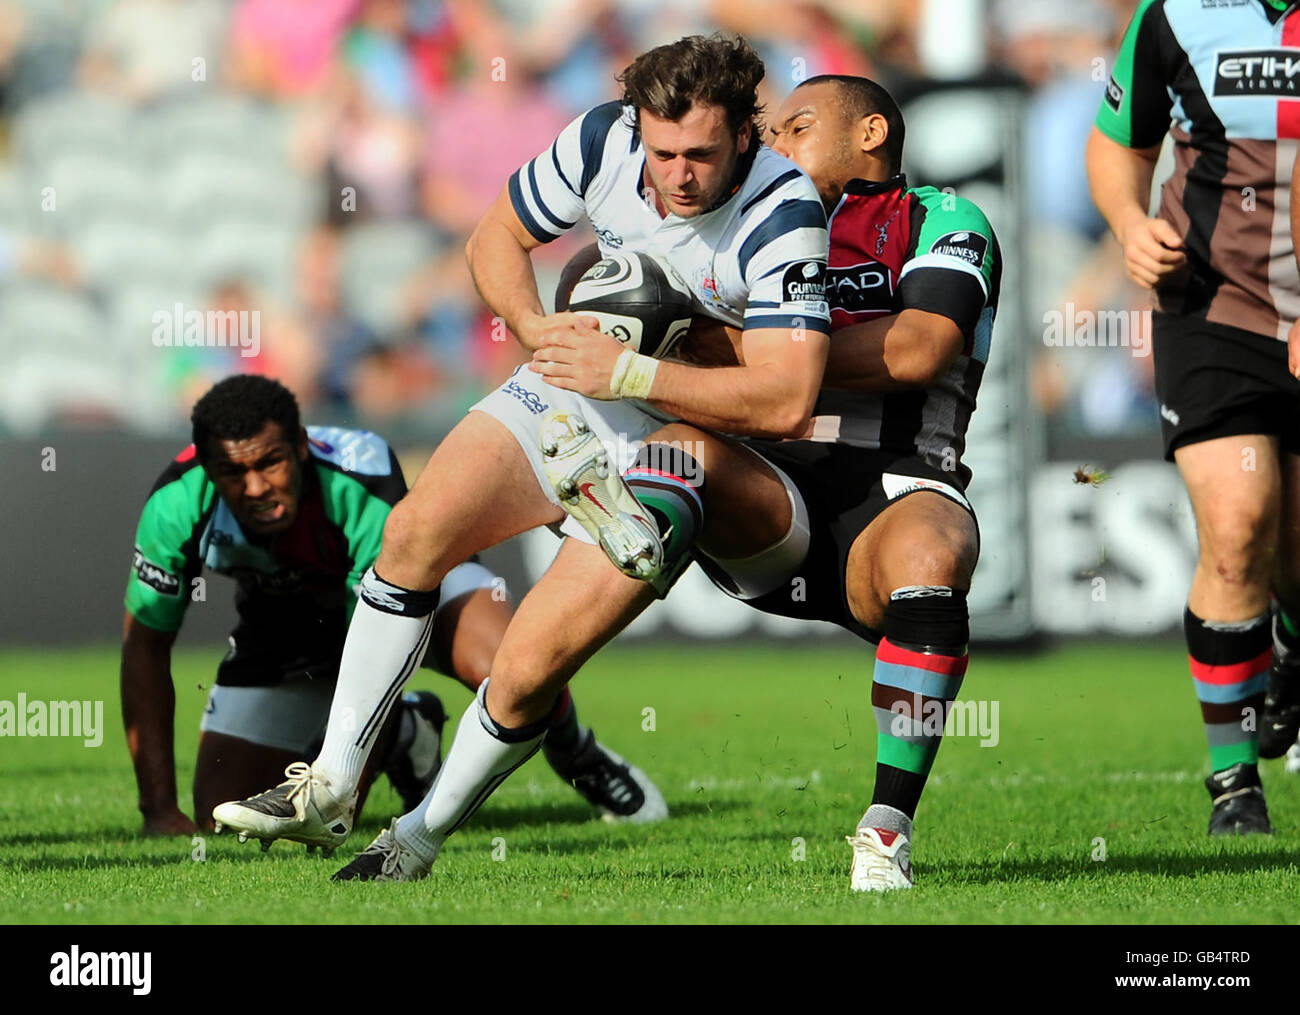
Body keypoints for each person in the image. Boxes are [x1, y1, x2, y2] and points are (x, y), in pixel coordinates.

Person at [331, 73, 995, 891]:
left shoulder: (944, 218)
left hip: (894, 489)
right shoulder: (754, 217)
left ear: (870, 135)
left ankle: (885, 831)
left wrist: (770, 352)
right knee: (561, 612)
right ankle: (606, 515)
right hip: (759, 488)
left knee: (931, 556)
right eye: (772, 131)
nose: (776, 143)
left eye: (798, 125)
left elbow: (921, 348)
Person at [210, 32, 832, 858]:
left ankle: (416, 840)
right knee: (411, 535)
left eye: (702, 155)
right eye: (663, 152)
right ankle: (327, 786)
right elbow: (490, 239)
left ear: (745, 138)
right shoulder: (602, 139)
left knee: (528, 667)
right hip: (583, 387)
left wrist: (633, 375)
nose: (678, 175)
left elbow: (788, 399)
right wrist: (539, 328)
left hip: (696, 438)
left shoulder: (783, 211)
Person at [123, 374, 654, 844]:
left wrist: (342, 795)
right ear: (207, 469)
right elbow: (145, 646)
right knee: (220, 810)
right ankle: (407, 732)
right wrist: (157, 810)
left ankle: (579, 756)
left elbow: (384, 632)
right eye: (233, 473)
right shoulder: (175, 501)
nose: (255, 487)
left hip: (414, 597)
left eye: (270, 462)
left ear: (302, 448)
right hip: (281, 627)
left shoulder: (360, 473)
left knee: (507, 663)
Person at [1086, 0, 1300, 835]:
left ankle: (1291, 641)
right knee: (1241, 522)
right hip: (1213, 310)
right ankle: (1234, 781)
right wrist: (1132, 223)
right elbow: (1120, 144)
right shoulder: (1172, 15)